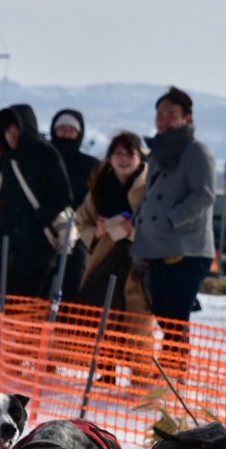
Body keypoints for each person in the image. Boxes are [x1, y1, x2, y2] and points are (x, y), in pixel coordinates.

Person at [131, 86, 216, 375]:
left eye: (172, 114)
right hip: (155, 247)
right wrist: (141, 218)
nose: (164, 120)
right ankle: (168, 374)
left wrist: (170, 219)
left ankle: (173, 376)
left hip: (185, 249)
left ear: (187, 117)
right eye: (160, 114)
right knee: (165, 318)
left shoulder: (195, 151)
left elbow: (203, 195)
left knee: (176, 321)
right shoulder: (158, 151)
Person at [0, 103, 73, 299]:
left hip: (36, 249)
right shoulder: (7, 158)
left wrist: (38, 218)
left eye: (16, 129)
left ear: (27, 128)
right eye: (7, 130)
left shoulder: (47, 156)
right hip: (5, 248)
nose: (12, 135)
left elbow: (63, 196)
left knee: (25, 311)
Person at [74, 131, 150, 313]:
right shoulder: (99, 188)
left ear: (140, 158)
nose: (124, 159)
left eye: (130, 154)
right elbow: (80, 222)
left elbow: (159, 227)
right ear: (109, 157)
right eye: (118, 153)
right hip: (102, 262)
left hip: (138, 265)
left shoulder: (150, 189)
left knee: (133, 323)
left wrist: (131, 229)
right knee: (93, 315)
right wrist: (96, 232)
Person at [50, 109, 99, 304]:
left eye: (72, 130)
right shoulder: (44, 159)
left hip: (77, 238)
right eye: (62, 129)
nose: (67, 134)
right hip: (43, 236)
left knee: (72, 293)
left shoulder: (91, 165)